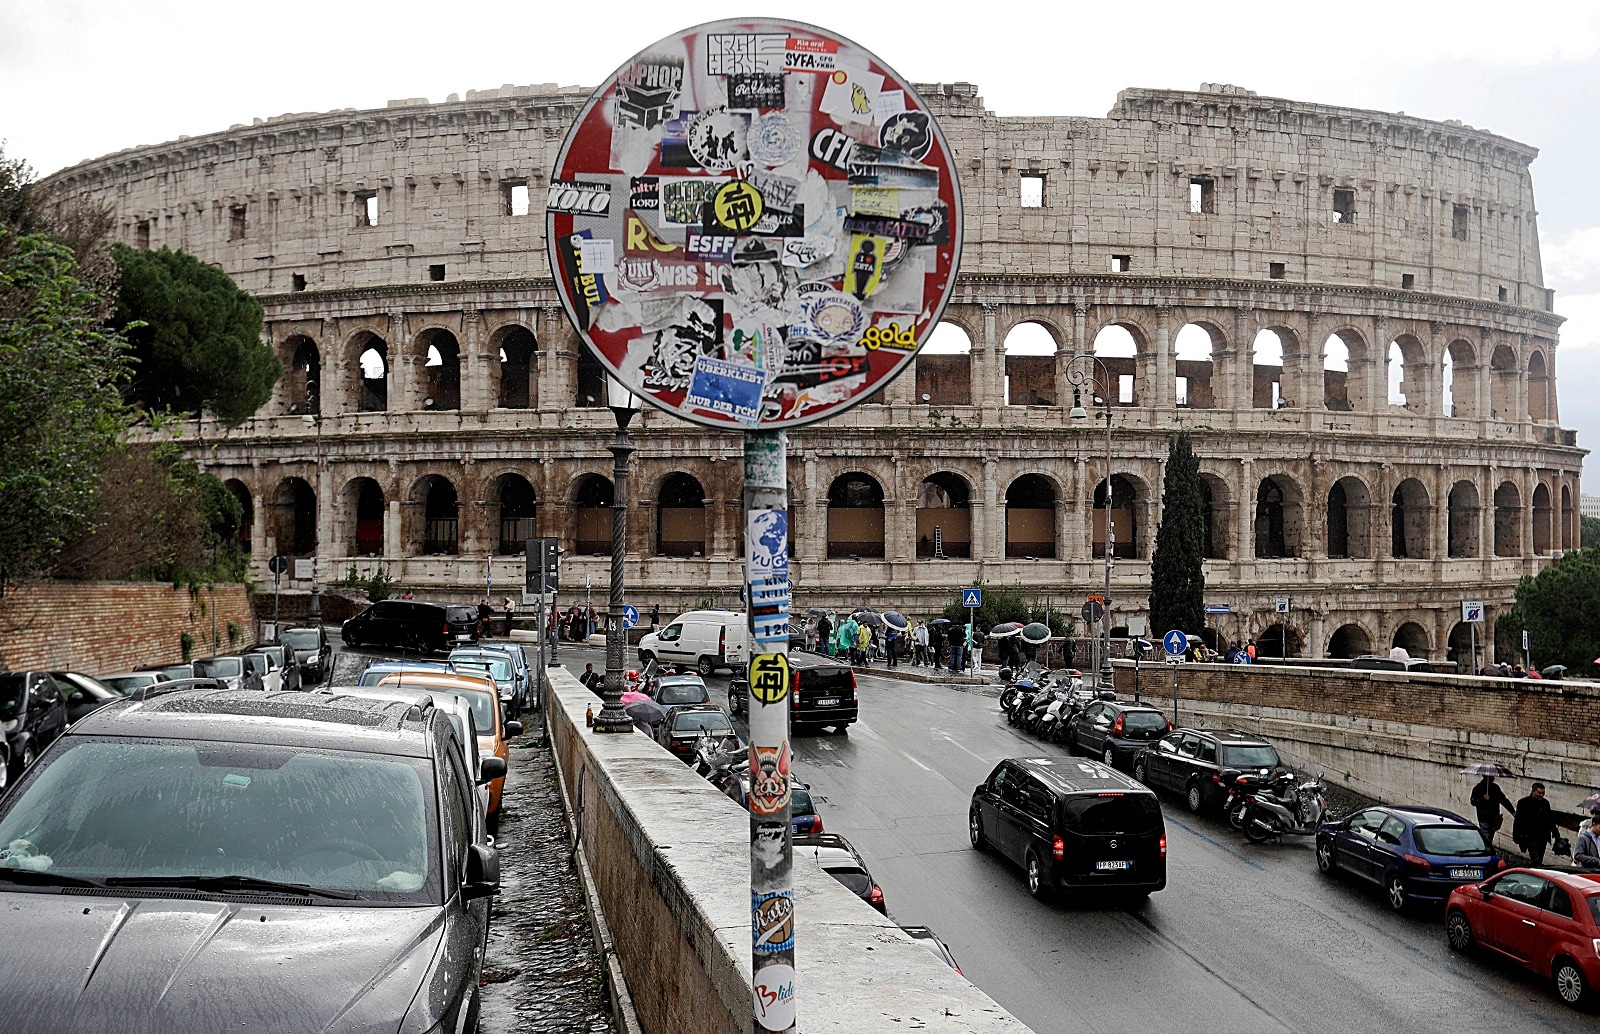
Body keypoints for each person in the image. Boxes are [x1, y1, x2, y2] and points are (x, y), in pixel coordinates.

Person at [1513, 783, 1557, 865]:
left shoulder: (1545, 803)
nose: (1541, 795)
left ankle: (1535, 870)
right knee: (1535, 859)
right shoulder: (1523, 803)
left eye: (1543, 793)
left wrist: (1555, 833)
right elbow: (1518, 820)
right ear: (1533, 791)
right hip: (1530, 836)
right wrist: (1516, 836)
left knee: (1539, 858)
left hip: (1542, 836)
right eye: (1539, 793)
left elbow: (1550, 819)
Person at [1470, 774, 1516, 843]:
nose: (1493, 778)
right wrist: (1482, 799)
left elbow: (1503, 800)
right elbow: (1473, 802)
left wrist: (1512, 811)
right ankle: (1486, 850)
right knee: (1486, 836)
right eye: (1492, 777)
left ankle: (1487, 848)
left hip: (1494, 817)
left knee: (1490, 836)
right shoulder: (1478, 788)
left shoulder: (1495, 788)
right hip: (1483, 817)